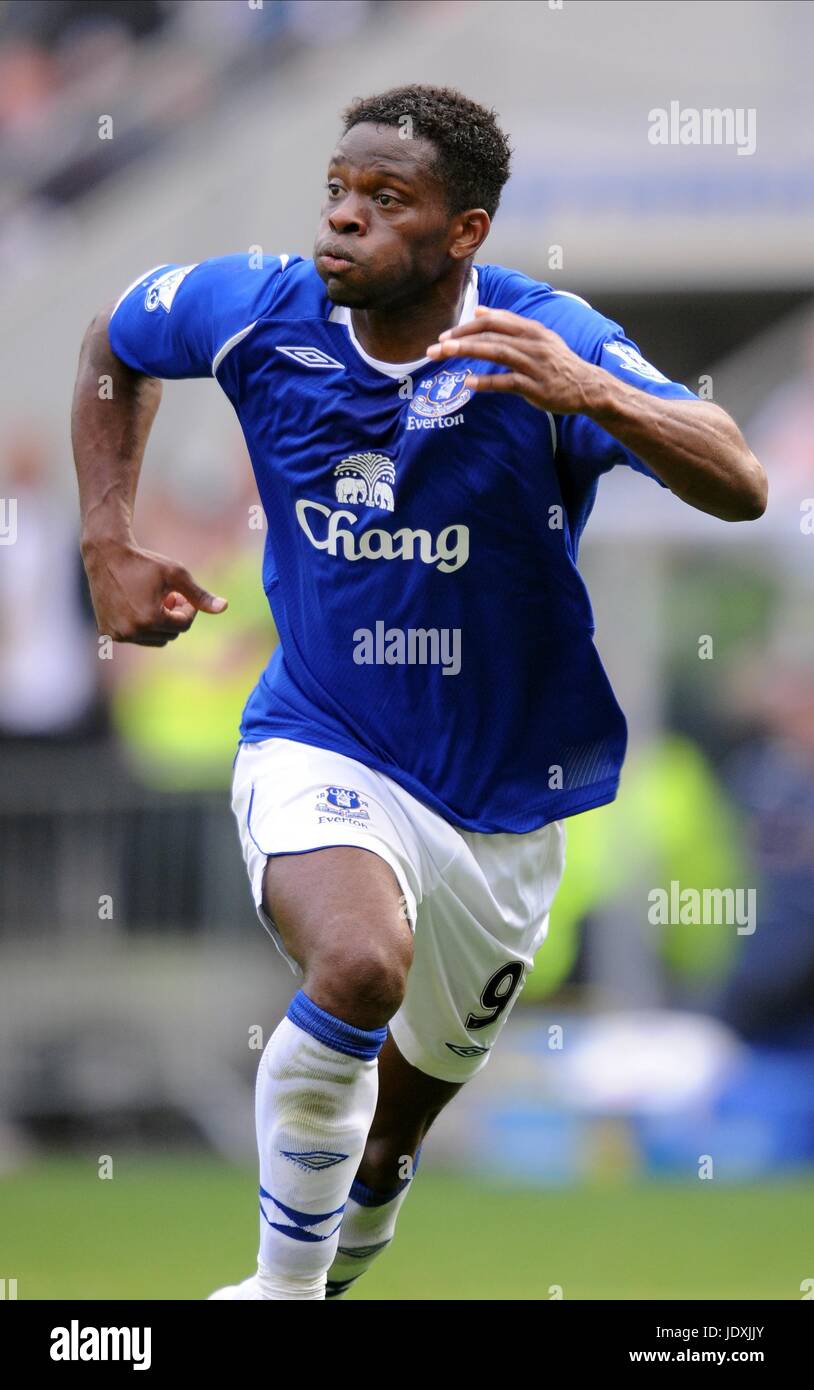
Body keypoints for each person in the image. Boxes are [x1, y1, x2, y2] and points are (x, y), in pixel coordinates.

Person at [71, 84, 767, 1301]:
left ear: (466, 234)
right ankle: (275, 1292)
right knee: (354, 967)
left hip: (505, 801)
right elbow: (114, 342)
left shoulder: (544, 339)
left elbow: (740, 479)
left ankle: (344, 1243)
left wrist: (592, 394)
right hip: (324, 736)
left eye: (386, 202)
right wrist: (106, 541)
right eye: (337, 191)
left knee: (386, 1148)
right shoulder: (257, 310)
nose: (343, 220)